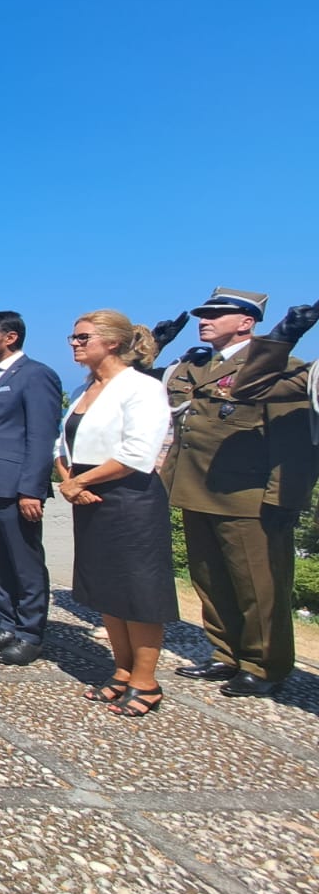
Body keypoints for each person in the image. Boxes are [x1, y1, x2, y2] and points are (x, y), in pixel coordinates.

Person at [164, 288, 319, 697]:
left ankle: (264, 665)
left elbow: (293, 442)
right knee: (210, 580)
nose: (205, 320)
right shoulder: (197, 365)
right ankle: (226, 652)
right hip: (196, 487)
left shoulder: (281, 368)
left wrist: (285, 498)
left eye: (217, 314)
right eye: (203, 313)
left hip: (248, 497)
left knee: (258, 588)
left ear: (246, 322)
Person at [55, 310, 174, 717]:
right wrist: (69, 480)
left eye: (83, 337)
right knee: (107, 586)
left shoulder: (141, 387)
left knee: (137, 589)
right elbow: (63, 445)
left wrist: (80, 482)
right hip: (87, 492)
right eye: (73, 337)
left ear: (113, 342)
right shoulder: (84, 389)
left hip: (129, 496)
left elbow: (138, 452)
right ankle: (122, 669)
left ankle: (146, 680)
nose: (75, 344)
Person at [0, 310, 64, 666]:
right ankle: (7, 623)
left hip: (13, 487)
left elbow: (41, 435)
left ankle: (30, 633)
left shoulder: (36, 375)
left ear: (10, 338)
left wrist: (31, 489)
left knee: (24, 562)